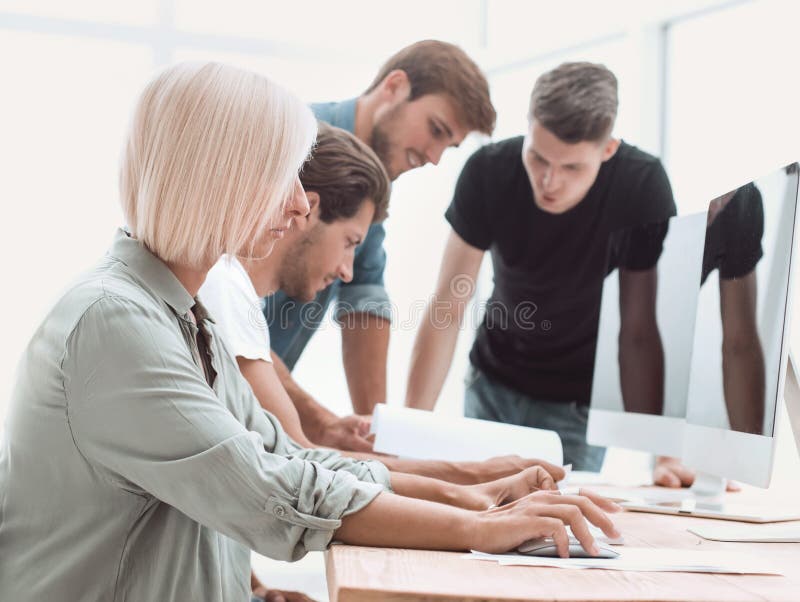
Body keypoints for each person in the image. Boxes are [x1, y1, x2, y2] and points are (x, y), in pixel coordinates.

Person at [0, 62, 619, 601]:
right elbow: (269, 489)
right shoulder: (114, 323)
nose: (300, 206)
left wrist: (475, 497)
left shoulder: (186, 317)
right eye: (285, 178)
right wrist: (480, 525)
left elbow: (292, 457)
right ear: (218, 178)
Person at [202, 122, 564, 485]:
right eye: (350, 242)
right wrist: (475, 476)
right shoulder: (224, 286)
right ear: (308, 209)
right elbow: (299, 461)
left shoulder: (230, 288)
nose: (346, 271)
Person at [405, 62, 678, 472]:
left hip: (578, 406)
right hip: (491, 385)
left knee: (562, 529)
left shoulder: (641, 186)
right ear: (529, 126)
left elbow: (639, 330)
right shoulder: (488, 171)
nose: (549, 181)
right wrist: (409, 436)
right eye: (538, 158)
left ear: (607, 149)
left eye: (572, 168)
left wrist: (666, 455)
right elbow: (449, 304)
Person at [263, 41, 497, 451]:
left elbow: (364, 302)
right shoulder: (290, 145)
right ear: (395, 86)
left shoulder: (372, 184)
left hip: (259, 412)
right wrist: (321, 425)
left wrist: (383, 441)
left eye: (449, 146)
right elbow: (226, 323)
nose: (434, 157)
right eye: (436, 131)